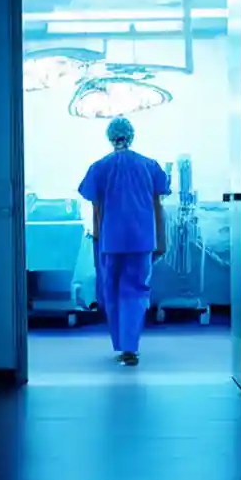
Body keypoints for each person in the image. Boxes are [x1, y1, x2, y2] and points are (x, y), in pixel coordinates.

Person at [79, 117, 170, 366]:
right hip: (141, 239)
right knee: (136, 290)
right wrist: (161, 240)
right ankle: (130, 347)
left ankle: (120, 344)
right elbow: (156, 206)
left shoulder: (99, 167)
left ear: (110, 138)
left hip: (110, 239)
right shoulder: (150, 166)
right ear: (132, 136)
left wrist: (97, 240)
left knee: (111, 291)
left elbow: (96, 210)